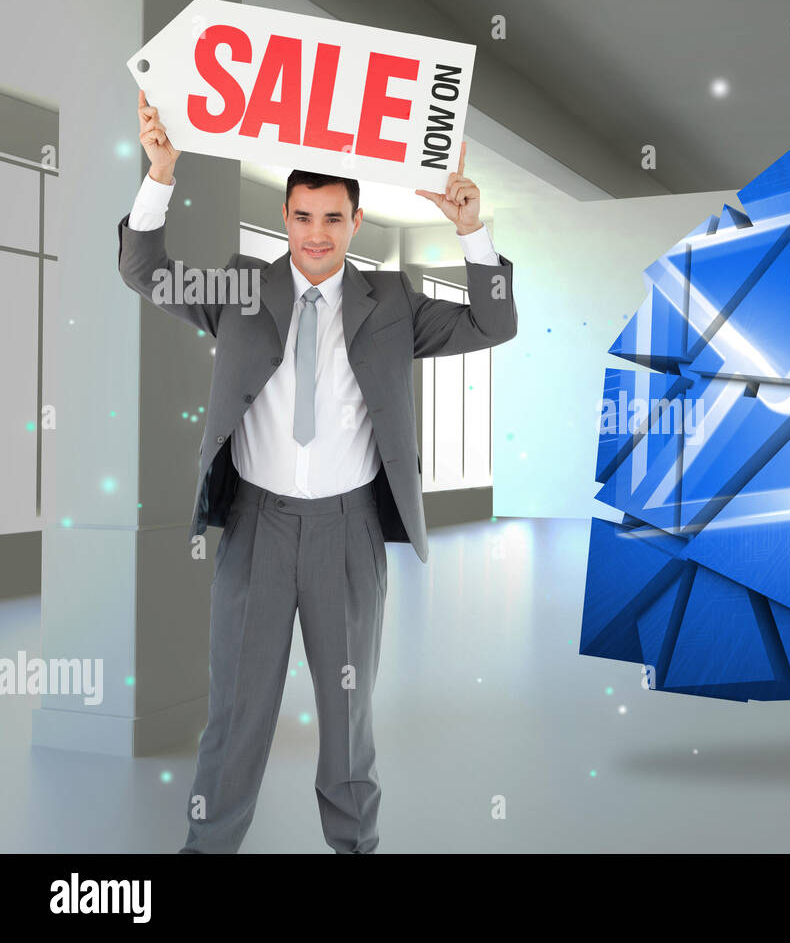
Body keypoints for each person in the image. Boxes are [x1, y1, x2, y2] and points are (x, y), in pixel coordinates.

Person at [119, 90, 517, 852]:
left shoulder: (394, 300)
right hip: (255, 528)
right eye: (303, 217)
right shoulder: (242, 287)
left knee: (348, 722)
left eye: (333, 218)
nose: (316, 233)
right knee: (236, 714)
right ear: (287, 220)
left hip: (349, 532)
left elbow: (494, 321)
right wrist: (161, 175)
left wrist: (472, 231)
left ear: (355, 223)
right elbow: (145, 271)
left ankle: (355, 848)